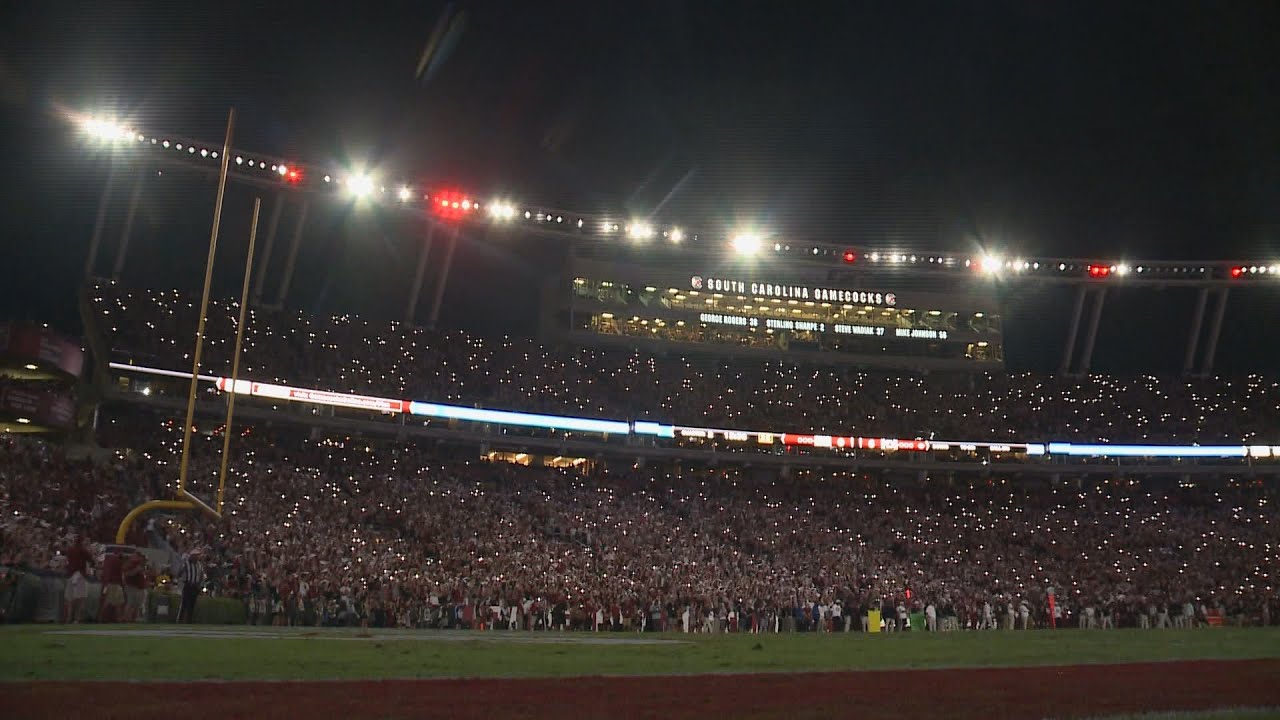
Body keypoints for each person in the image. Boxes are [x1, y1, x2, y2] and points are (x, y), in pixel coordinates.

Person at [176, 548, 205, 624]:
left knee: (192, 604)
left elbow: (201, 574)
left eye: (198, 556)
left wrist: (199, 584)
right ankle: (180, 620)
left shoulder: (199, 564)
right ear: (192, 556)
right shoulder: (186, 563)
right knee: (184, 603)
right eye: (196, 556)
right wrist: (181, 580)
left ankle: (189, 620)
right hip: (188, 585)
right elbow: (180, 572)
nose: (197, 557)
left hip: (195, 586)